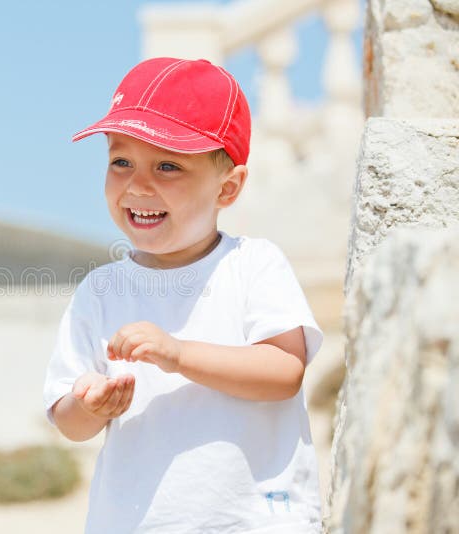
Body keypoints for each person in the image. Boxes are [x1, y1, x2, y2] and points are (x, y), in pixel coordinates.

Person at [42, 57, 325, 533]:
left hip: (252, 519)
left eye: (168, 165)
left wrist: (179, 354)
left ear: (228, 188)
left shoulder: (253, 265)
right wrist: (86, 405)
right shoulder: (101, 291)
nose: (138, 184)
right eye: (121, 161)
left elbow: (284, 372)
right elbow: (67, 421)